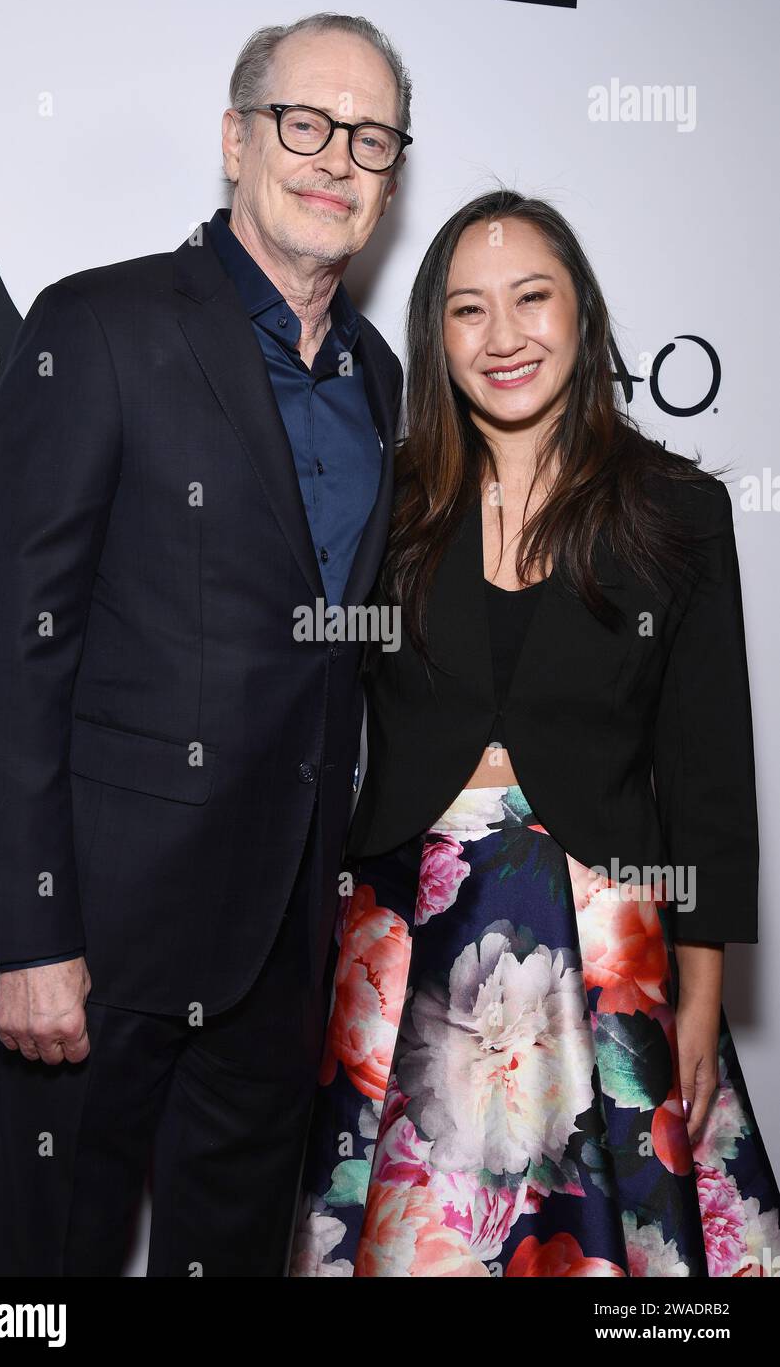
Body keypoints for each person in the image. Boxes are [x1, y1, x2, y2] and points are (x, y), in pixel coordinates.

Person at [0, 12, 411, 1277]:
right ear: (236, 138)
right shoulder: (97, 325)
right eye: (303, 122)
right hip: (100, 935)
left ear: (391, 174)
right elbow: (13, 650)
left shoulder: (381, 378)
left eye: (369, 138)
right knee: (42, 1277)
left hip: (281, 942)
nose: (334, 158)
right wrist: (32, 933)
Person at [289, 189, 780, 1278]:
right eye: (468, 310)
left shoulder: (675, 510)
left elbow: (707, 779)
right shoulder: (389, 501)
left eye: (530, 298)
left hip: (605, 943)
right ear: (436, 336)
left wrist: (700, 999)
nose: (503, 336)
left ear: (582, 313)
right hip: (402, 935)